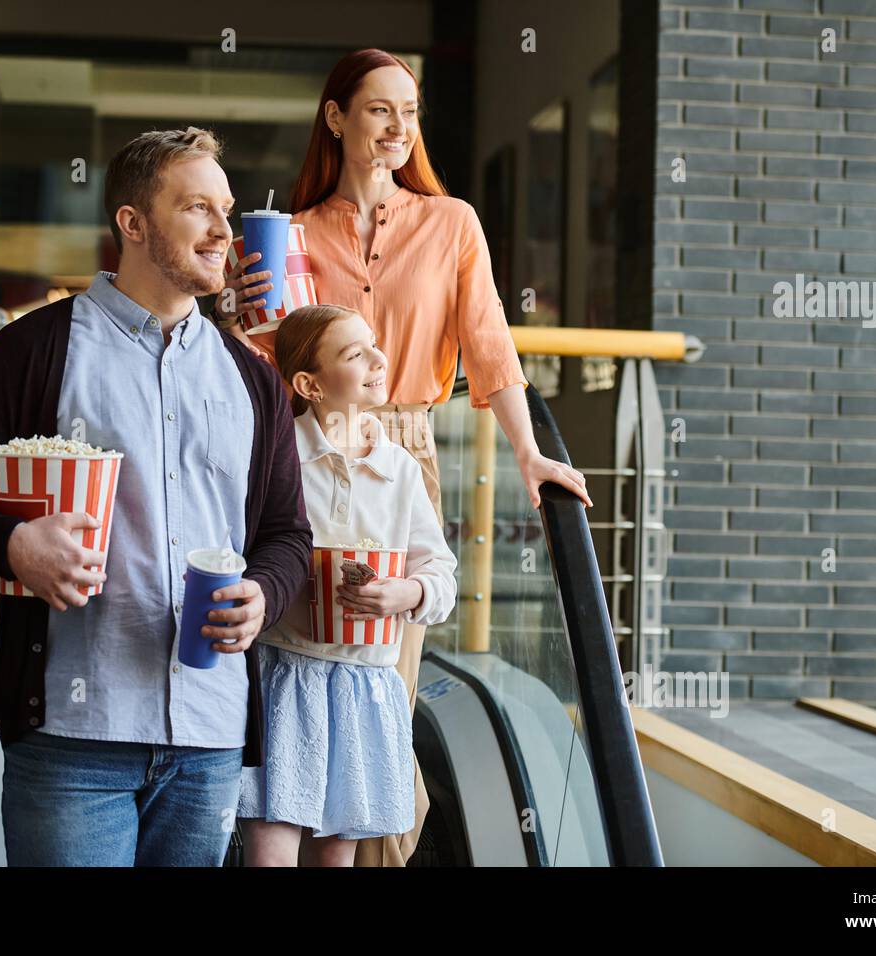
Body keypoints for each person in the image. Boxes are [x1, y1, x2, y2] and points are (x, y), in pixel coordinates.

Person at [213, 48, 592, 866]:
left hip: (403, 453)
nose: (397, 127)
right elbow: (269, 362)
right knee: (286, 663)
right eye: (379, 109)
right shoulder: (298, 232)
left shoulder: (450, 222)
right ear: (337, 117)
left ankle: (366, 852)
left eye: (409, 112)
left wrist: (528, 456)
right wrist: (233, 313)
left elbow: (490, 346)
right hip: (302, 450)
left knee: (381, 690)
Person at [0, 127, 312, 866]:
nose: (225, 231)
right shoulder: (35, 352)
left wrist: (263, 593)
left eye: (228, 209)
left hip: (208, 742)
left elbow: (286, 536)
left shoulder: (255, 381)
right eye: (198, 210)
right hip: (71, 744)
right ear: (133, 223)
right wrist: (13, 545)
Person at [237, 304, 457, 866]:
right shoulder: (273, 455)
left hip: (365, 685)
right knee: (270, 851)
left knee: (338, 859)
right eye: (357, 353)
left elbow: (440, 573)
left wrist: (406, 593)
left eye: (374, 344)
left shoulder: (401, 469)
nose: (379, 360)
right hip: (283, 674)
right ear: (309, 384)